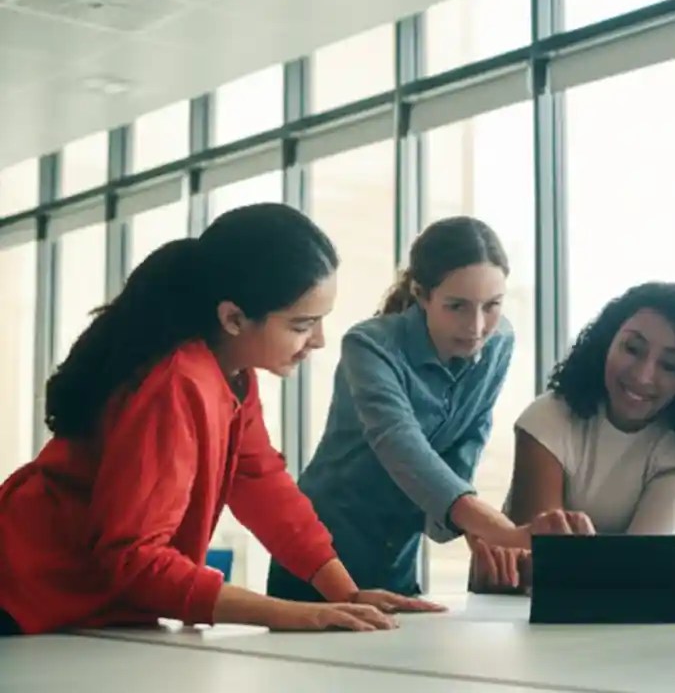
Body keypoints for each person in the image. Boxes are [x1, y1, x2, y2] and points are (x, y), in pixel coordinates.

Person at [0, 203, 437, 636]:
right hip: (21, 590)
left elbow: (265, 486)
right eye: (302, 324)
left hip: (63, 605)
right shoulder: (177, 383)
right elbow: (134, 555)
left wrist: (345, 592)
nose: (318, 341)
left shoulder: (233, 375)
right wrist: (287, 613)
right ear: (233, 318)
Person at [268, 216, 588, 602]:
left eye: (492, 306)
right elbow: (401, 445)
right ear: (421, 295)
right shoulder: (369, 345)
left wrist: (481, 535)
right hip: (317, 551)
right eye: (457, 306)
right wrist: (504, 531)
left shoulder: (499, 342)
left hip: (397, 559)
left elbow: (470, 437)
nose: (476, 326)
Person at [473, 282, 675, 593]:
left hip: (631, 621)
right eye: (632, 349)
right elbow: (539, 561)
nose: (643, 375)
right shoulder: (548, 418)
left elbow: (641, 570)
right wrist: (592, 565)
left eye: (670, 365)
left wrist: (581, 562)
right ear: (607, 342)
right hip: (527, 614)